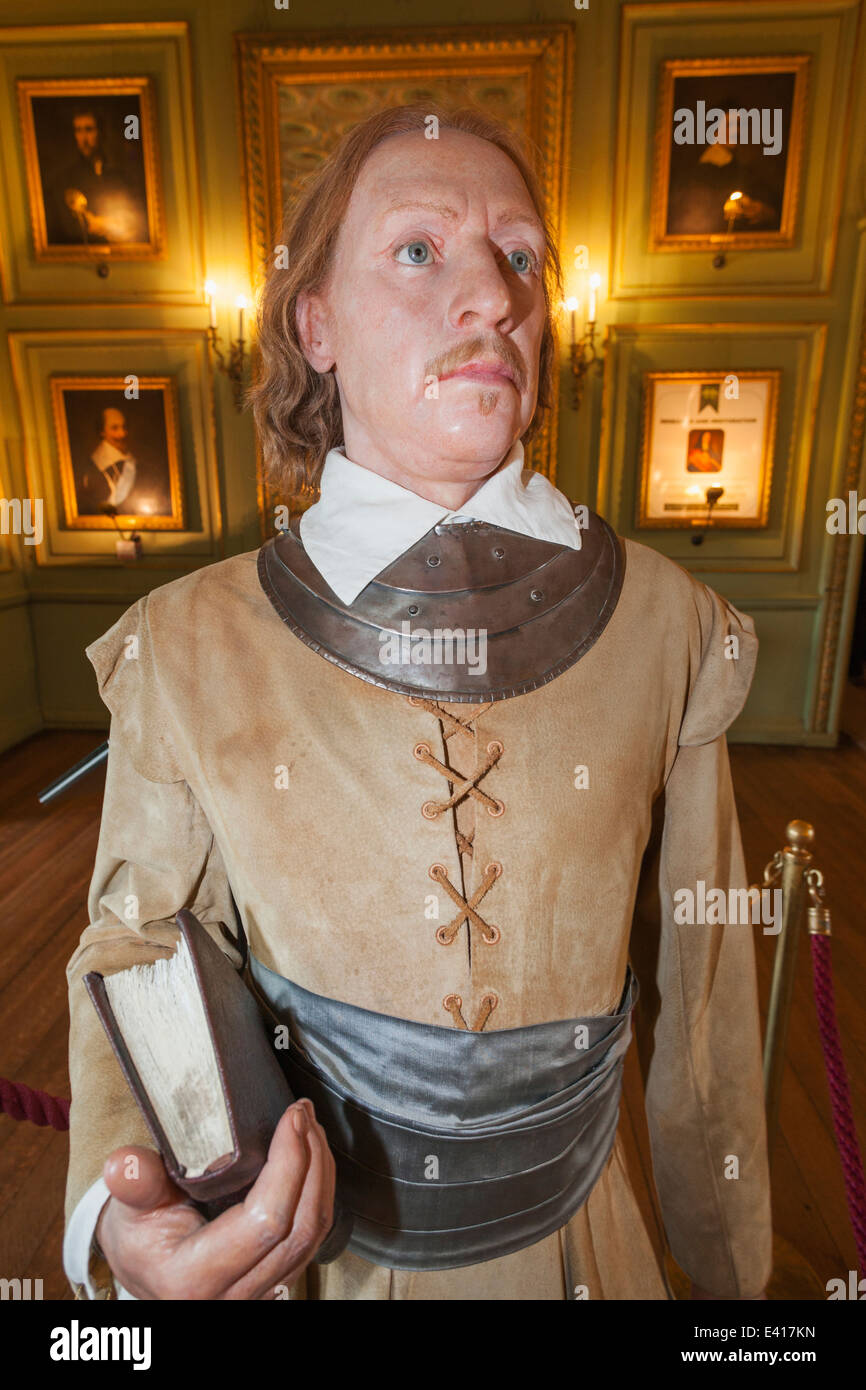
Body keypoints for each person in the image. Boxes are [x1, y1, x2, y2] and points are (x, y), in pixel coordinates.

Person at [63, 103, 772, 1301]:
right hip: (312, 1263)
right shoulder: (185, 641)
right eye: (416, 248)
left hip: (585, 1250)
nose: (492, 294)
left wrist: (728, 1279)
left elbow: (700, 989)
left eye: (520, 256)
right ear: (316, 322)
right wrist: (127, 1221)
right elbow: (138, 940)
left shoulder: (672, 623)